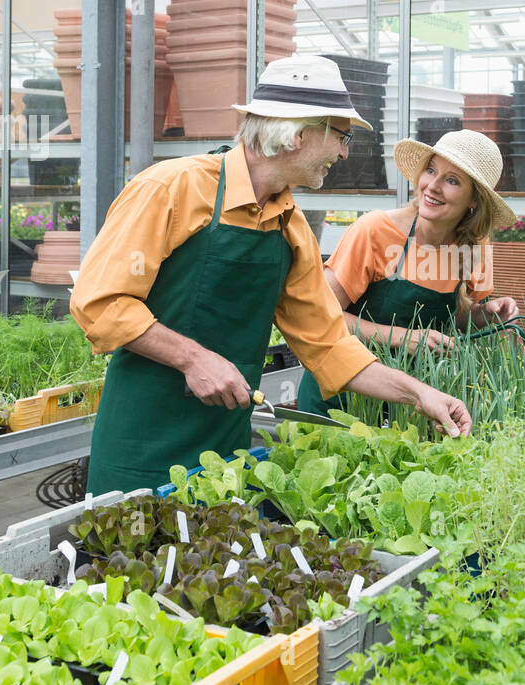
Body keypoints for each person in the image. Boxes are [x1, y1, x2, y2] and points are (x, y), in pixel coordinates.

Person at [71, 55, 473, 496]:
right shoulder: (173, 189)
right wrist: (193, 358)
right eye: (340, 135)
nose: (344, 151)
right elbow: (99, 302)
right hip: (141, 443)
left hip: (224, 448)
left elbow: (329, 346)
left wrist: (421, 395)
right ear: (299, 134)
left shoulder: (289, 225)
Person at [296, 130, 521, 417]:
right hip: (341, 397)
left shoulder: (475, 247)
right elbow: (319, 316)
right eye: (431, 170)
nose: (433, 186)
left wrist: (484, 314)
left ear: (474, 200)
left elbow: (451, 320)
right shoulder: (376, 231)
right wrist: (399, 336)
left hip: (412, 404)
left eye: (452, 180)